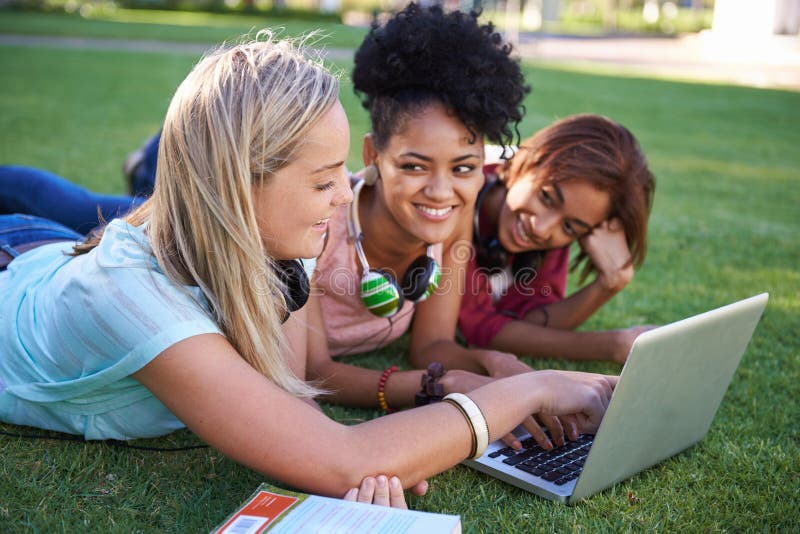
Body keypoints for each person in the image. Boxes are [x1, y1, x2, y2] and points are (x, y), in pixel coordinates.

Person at [0, 35, 618, 507]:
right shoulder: (134, 300)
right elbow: (339, 456)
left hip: (51, 259)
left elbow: (297, 397)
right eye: (324, 182)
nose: (345, 197)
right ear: (239, 188)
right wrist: (531, 389)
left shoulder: (285, 241)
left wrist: (391, 447)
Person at [459, 114, 656, 363]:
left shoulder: (550, 235)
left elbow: (532, 322)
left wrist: (611, 283)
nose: (542, 229)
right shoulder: (459, 190)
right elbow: (480, 328)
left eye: (571, 228)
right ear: (527, 161)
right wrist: (613, 345)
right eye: (547, 197)